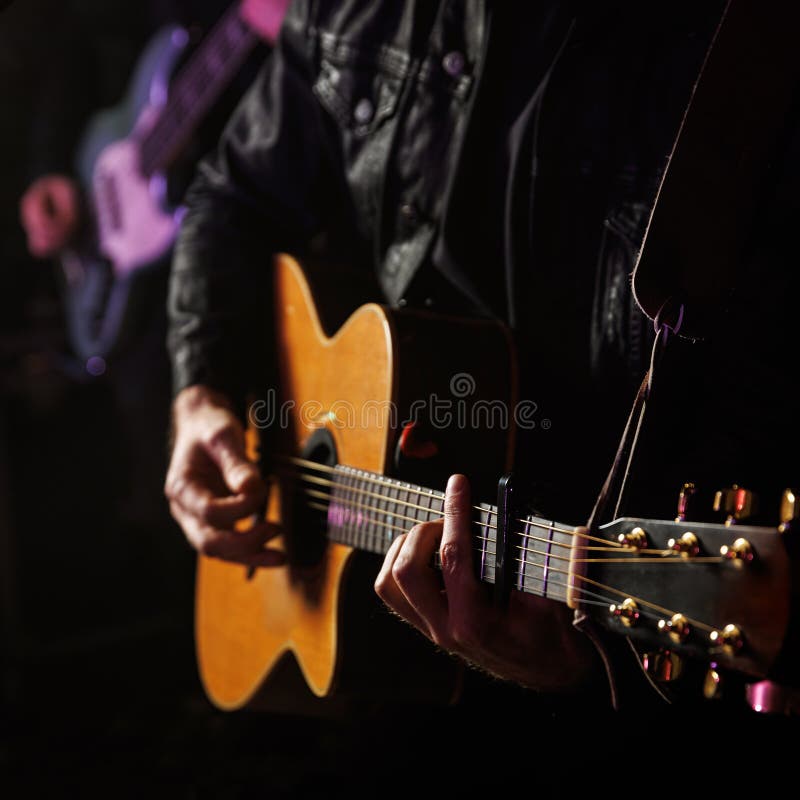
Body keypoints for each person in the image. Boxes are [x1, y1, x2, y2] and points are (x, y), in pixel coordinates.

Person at [165, 0, 798, 715]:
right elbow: (230, 195)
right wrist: (200, 390)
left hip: (587, 614)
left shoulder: (735, 44)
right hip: (399, 675)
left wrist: (594, 663)